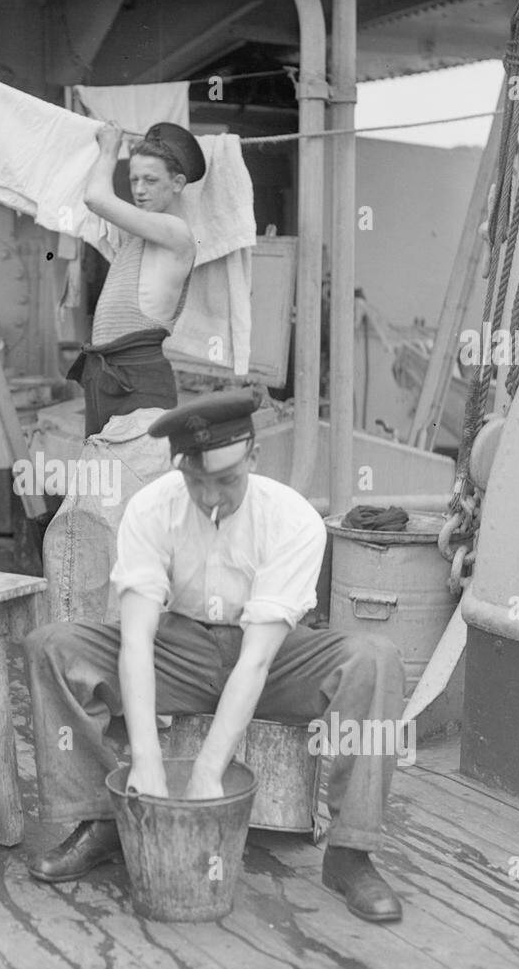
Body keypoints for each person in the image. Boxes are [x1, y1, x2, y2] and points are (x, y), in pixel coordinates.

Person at [21, 390, 407, 922]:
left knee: (375, 657)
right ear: (178, 470)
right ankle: (105, 818)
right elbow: (134, 641)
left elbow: (255, 661)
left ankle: (350, 854)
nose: (212, 498)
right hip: (177, 651)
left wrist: (208, 772)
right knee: (54, 646)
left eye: (226, 481)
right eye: (196, 484)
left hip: (272, 659)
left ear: (253, 458)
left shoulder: (294, 520)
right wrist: (147, 761)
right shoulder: (151, 510)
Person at [67, 121, 204, 437]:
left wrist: (110, 150)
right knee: (105, 479)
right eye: (134, 180)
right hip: (107, 376)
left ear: (178, 183)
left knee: (138, 479)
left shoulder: (176, 232)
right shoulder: (139, 233)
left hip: (139, 379)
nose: (139, 189)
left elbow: (96, 199)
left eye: (151, 180)